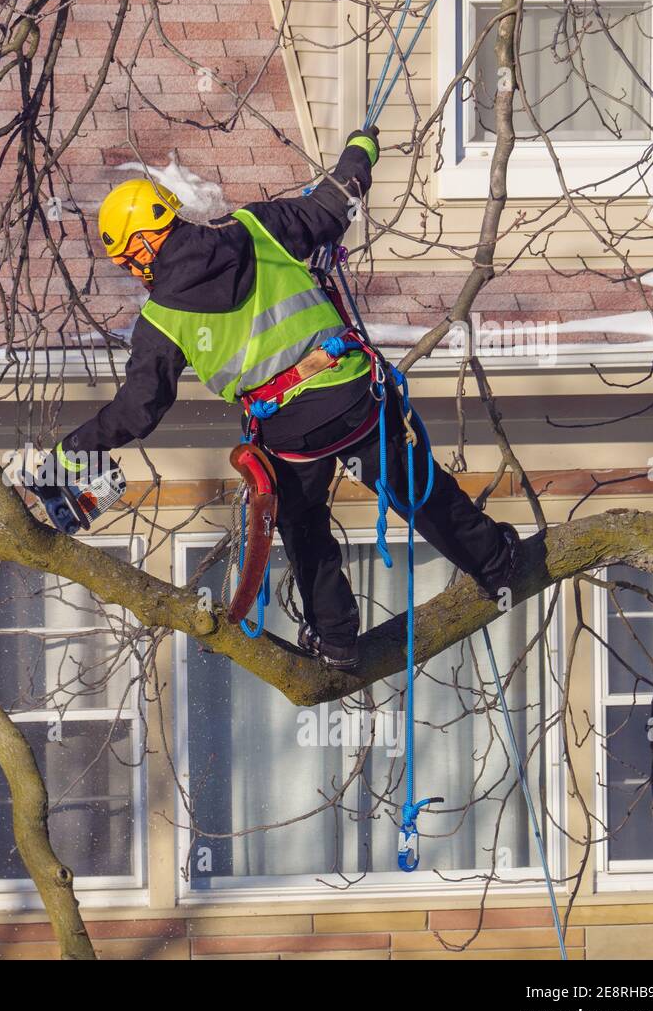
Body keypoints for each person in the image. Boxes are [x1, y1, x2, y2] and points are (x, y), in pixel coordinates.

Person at [51, 128, 519, 670]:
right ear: (169, 215)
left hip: (290, 434)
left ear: (137, 248)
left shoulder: (159, 323)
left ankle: (337, 639)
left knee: (302, 524)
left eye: (127, 261)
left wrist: (75, 446)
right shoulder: (256, 227)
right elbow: (331, 206)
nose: (132, 273)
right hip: (354, 396)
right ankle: (496, 562)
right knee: (417, 487)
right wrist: (360, 151)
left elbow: (140, 409)